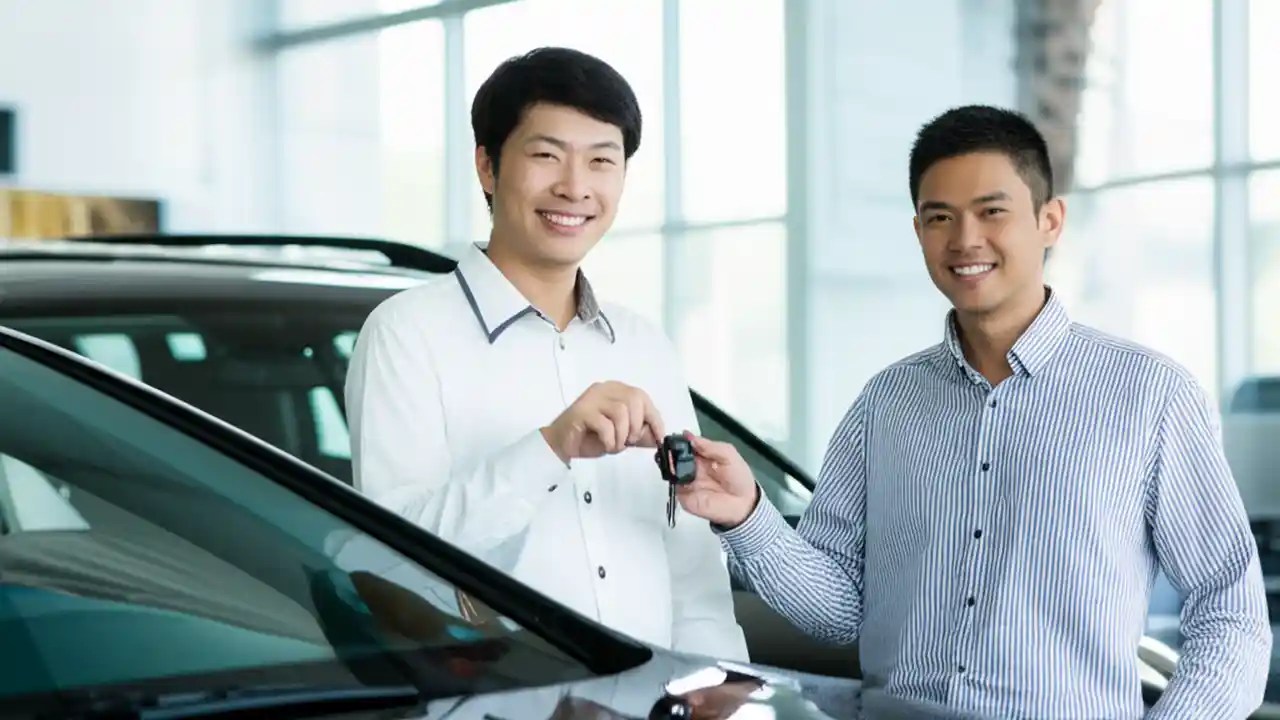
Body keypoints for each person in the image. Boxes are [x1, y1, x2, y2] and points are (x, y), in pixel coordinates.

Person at [674, 105, 1270, 717]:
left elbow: (1230, 615)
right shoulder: (886, 403)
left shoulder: (1151, 396)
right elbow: (841, 611)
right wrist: (748, 517)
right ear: (918, 232)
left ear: (1049, 221)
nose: (965, 240)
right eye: (940, 218)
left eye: (992, 212)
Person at [344, 46, 747, 662]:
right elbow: (395, 563)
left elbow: (692, 580)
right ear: (487, 165)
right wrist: (549, 448)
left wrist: (722, 688)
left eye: (602, 161)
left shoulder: (643, 345)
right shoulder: (406, 334)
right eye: (546, 155)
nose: (575, 187)